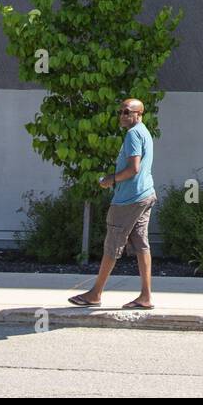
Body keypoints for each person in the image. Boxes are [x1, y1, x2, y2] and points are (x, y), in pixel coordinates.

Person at [68, 98, 157, 310]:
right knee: (141, 244)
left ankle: (95, 294)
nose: (122, 116)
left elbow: (133, 168)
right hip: (145, 195)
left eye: (127, 112)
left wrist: (111, 179)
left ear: (139, 114)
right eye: (120, 112)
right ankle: (145, 297)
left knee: (112, 244)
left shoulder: (133, 134)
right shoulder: (144, 132)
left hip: (129, 199)